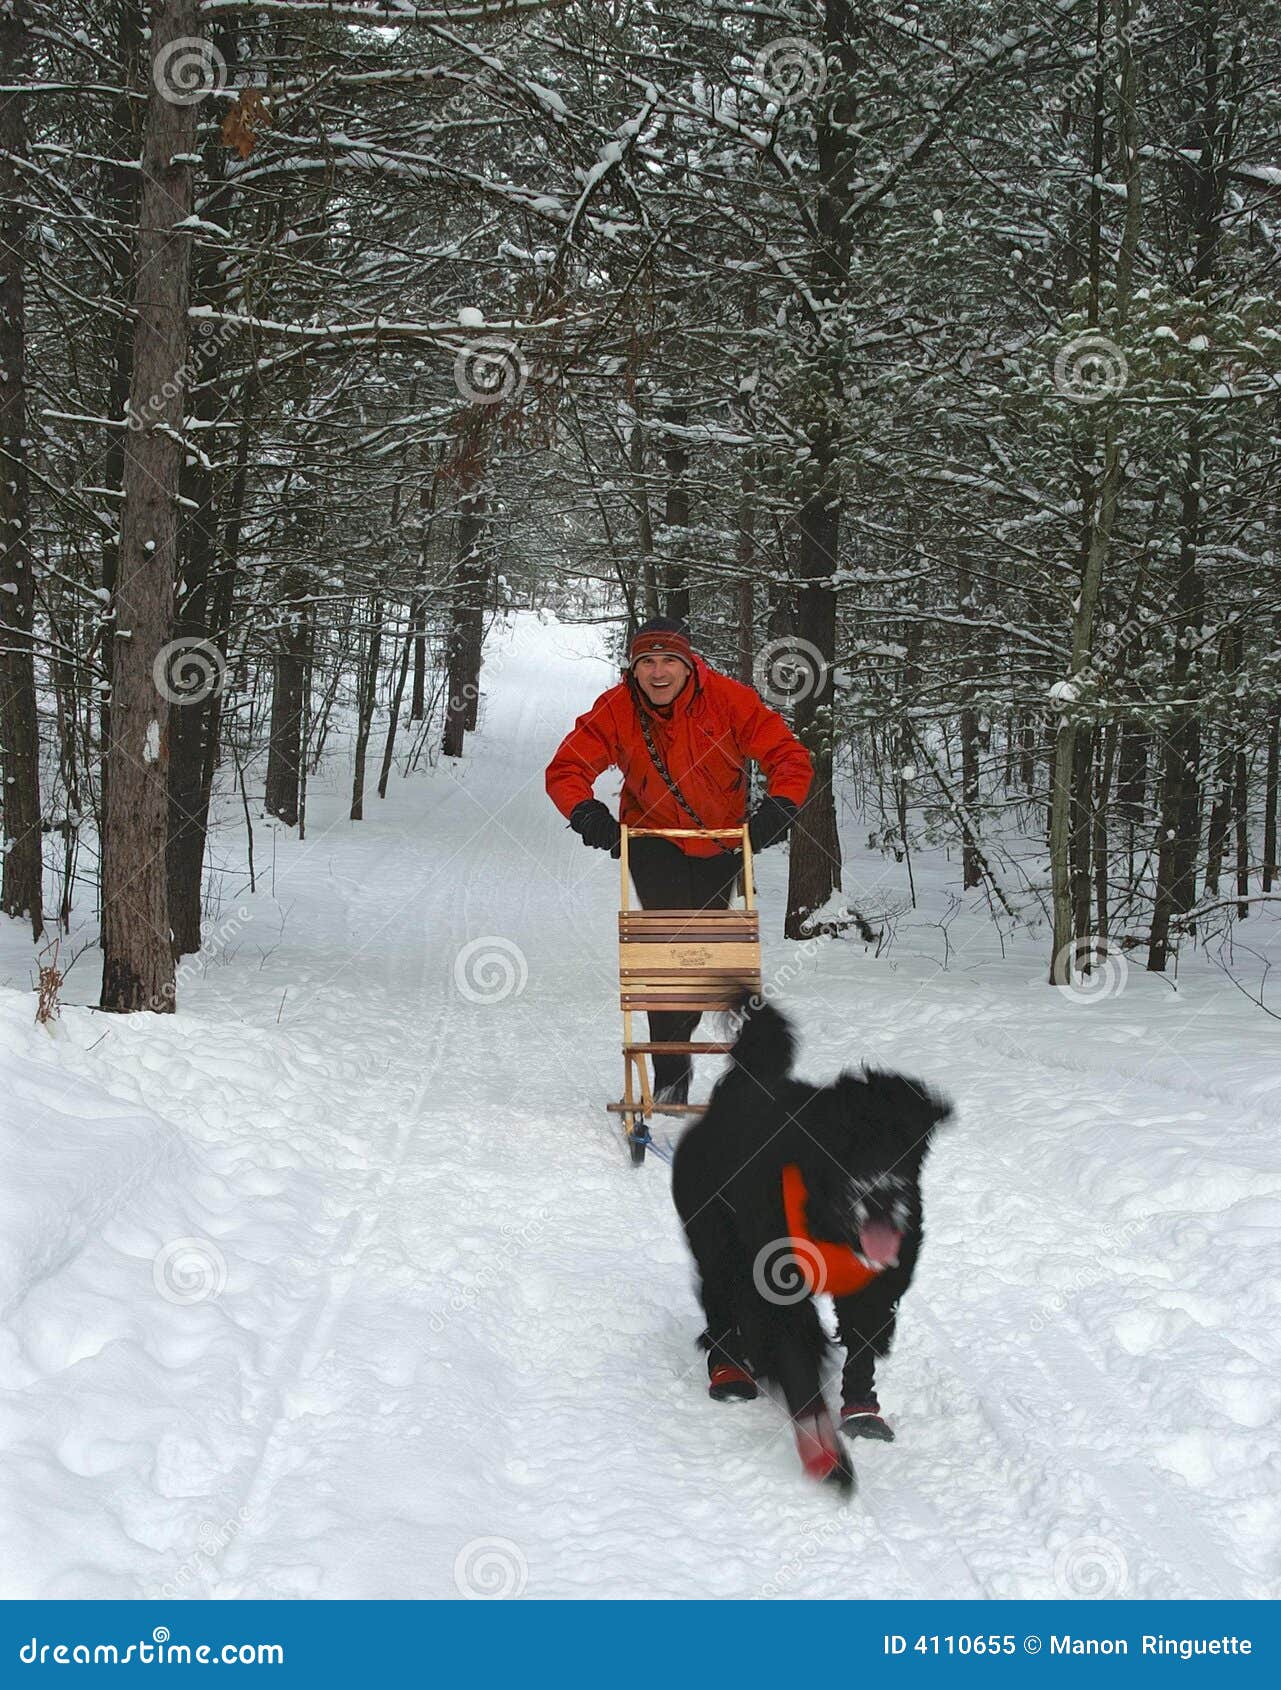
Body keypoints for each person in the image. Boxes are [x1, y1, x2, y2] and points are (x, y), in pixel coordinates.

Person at [545, 616, 813, 1104]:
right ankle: (671, 1078)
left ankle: (705, 1064)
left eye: (669, 660)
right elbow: (567, 767)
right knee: (671, 949)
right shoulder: (617, 708)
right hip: (652, 839)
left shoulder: (730, 701)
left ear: (690, 666)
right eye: (647, 661)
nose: (659, 672)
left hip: (721, 842)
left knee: (705, 955)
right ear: (634, 668)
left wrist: (780, 807)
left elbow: (789, 756)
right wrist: (587, 814)